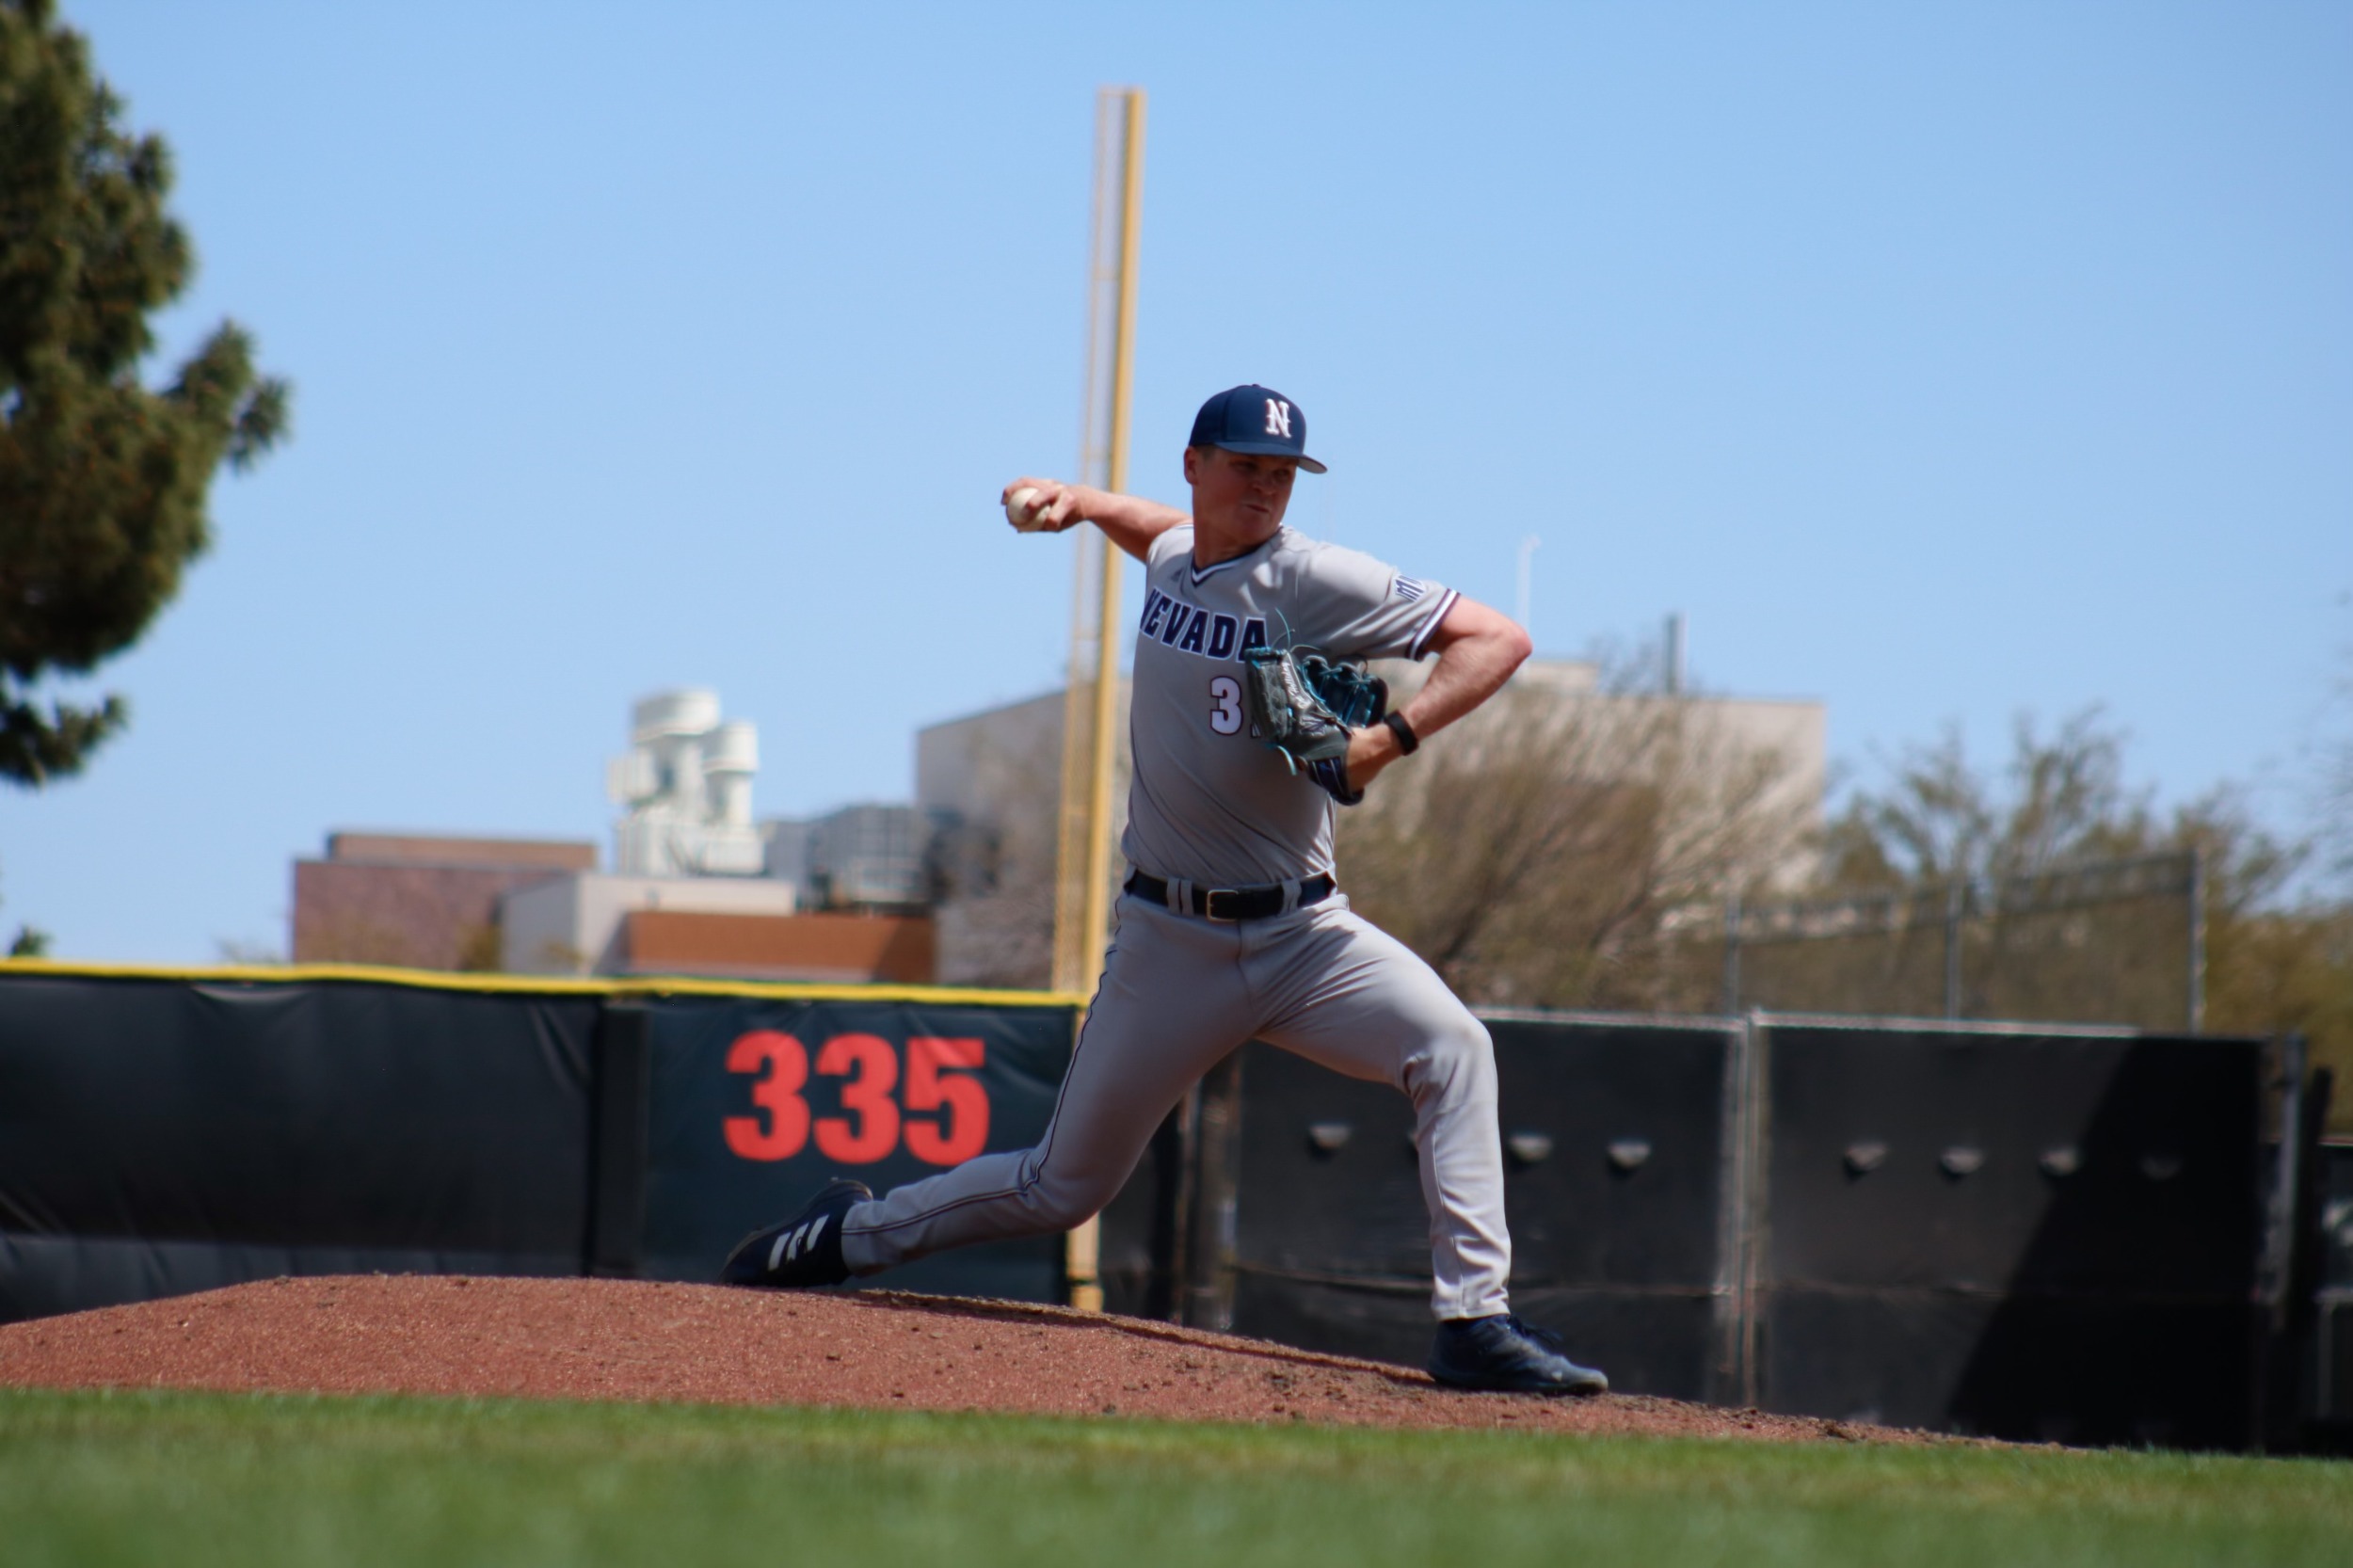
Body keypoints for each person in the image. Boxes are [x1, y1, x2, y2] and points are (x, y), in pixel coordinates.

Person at [723, 384, 1607, 1395]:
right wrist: (1081, 500)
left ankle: (1473, 1321)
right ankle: (845, 1236)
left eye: (1280, 476)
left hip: (1307, 939)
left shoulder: (1313, 577)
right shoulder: (1181, 556)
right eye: (1244, 468)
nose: (1263, 490)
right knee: (1061, 1188)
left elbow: (1497, 637)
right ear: (1193, 465)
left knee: (1453, 1046)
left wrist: (1381, 742)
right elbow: (1157, 535)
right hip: (1168, 944)